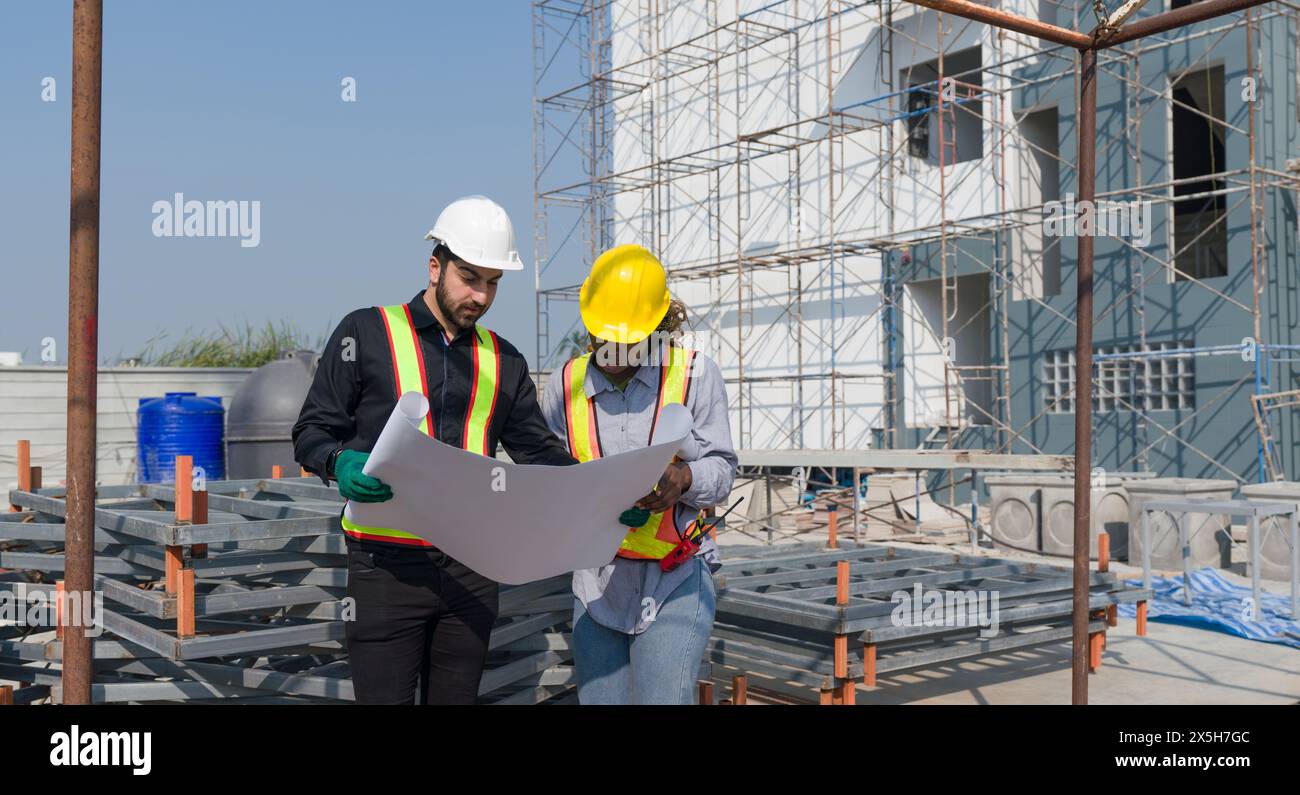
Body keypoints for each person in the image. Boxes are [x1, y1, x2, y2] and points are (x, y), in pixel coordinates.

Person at [292, 195, 578, 704]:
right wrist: (339, 462)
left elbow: (541, 455)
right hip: (384, 570)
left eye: (493, 283)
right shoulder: (365, 333)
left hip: (471, 568)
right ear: (435, 265)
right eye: (470, 277)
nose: (481, 295)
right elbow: (311, 430)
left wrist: (601, 494)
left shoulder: (504, 360)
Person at [541, 243, 738, 704]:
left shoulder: (693, 376)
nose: (610, 350)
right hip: (597, 585)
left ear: (655, 326)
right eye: (601, 337)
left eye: (626, 340)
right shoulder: (564, 386)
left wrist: (684, 479)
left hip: (674, 579)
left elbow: (724, 471)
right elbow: (543, 471)